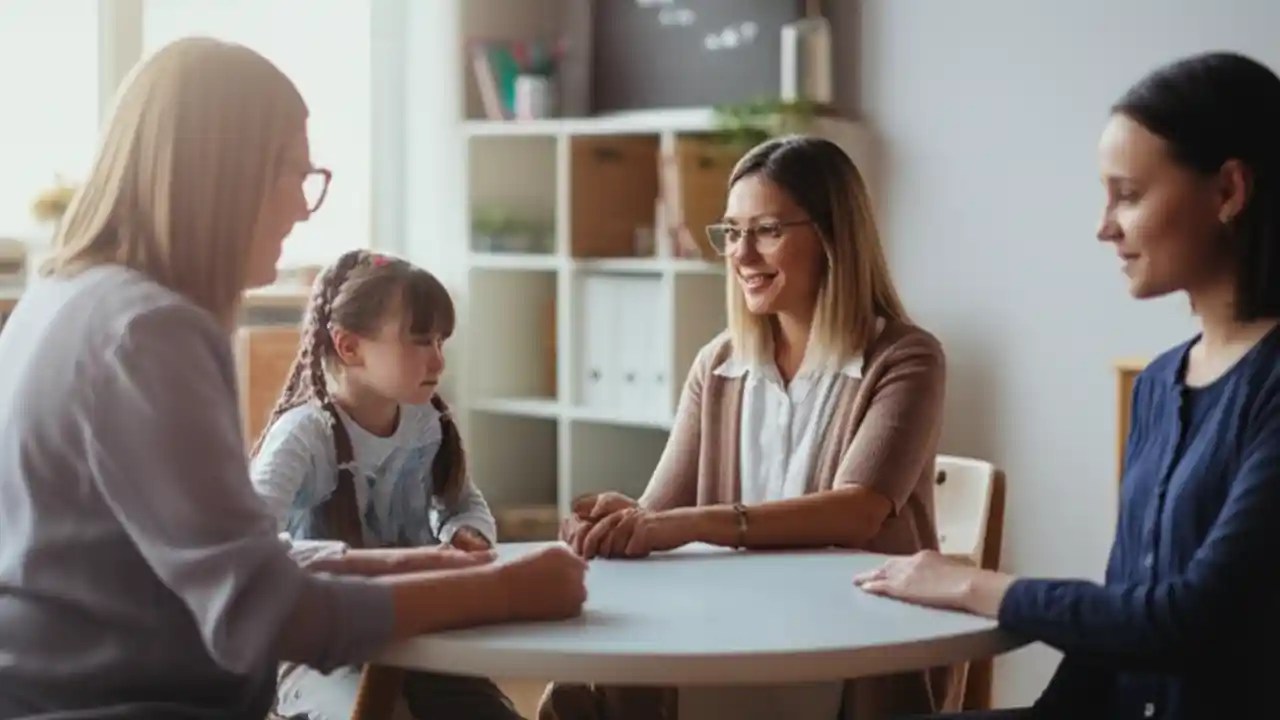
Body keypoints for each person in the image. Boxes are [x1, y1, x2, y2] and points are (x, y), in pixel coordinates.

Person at [0, 37, 586, 719]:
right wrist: (506, 592)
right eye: (299, 177)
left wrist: (430, 566)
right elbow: (260, 610)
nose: (304, 210)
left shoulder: (62, 297)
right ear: (231, 173)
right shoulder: (152, 332)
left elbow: (245, 565)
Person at [854, 51, 1280, 720]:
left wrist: (973, 584)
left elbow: (1188, 619)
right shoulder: (1159, 383)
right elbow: (1125, 604)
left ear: (1228, 191)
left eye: (1129, 195)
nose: (1103, 226)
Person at [542, 136, 952, 719]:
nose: (741, 254)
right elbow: (661, 510)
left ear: (835, 236)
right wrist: (622, 522)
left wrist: (686, 525)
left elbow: (857, 511)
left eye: (766, 231)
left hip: (849, 656)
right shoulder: (718, 364)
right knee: (576, 701)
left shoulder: (905, 358)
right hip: (723, 639)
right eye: (732, 232)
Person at [251, 249, 518, 719]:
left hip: (417, 640)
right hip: (319, 655)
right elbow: (245, 548)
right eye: (419, 341)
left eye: (441, 340)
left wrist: (465, 535)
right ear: (349, 346)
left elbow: (462, 503)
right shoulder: (304, 436)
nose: (438, 358)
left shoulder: (424, 423)